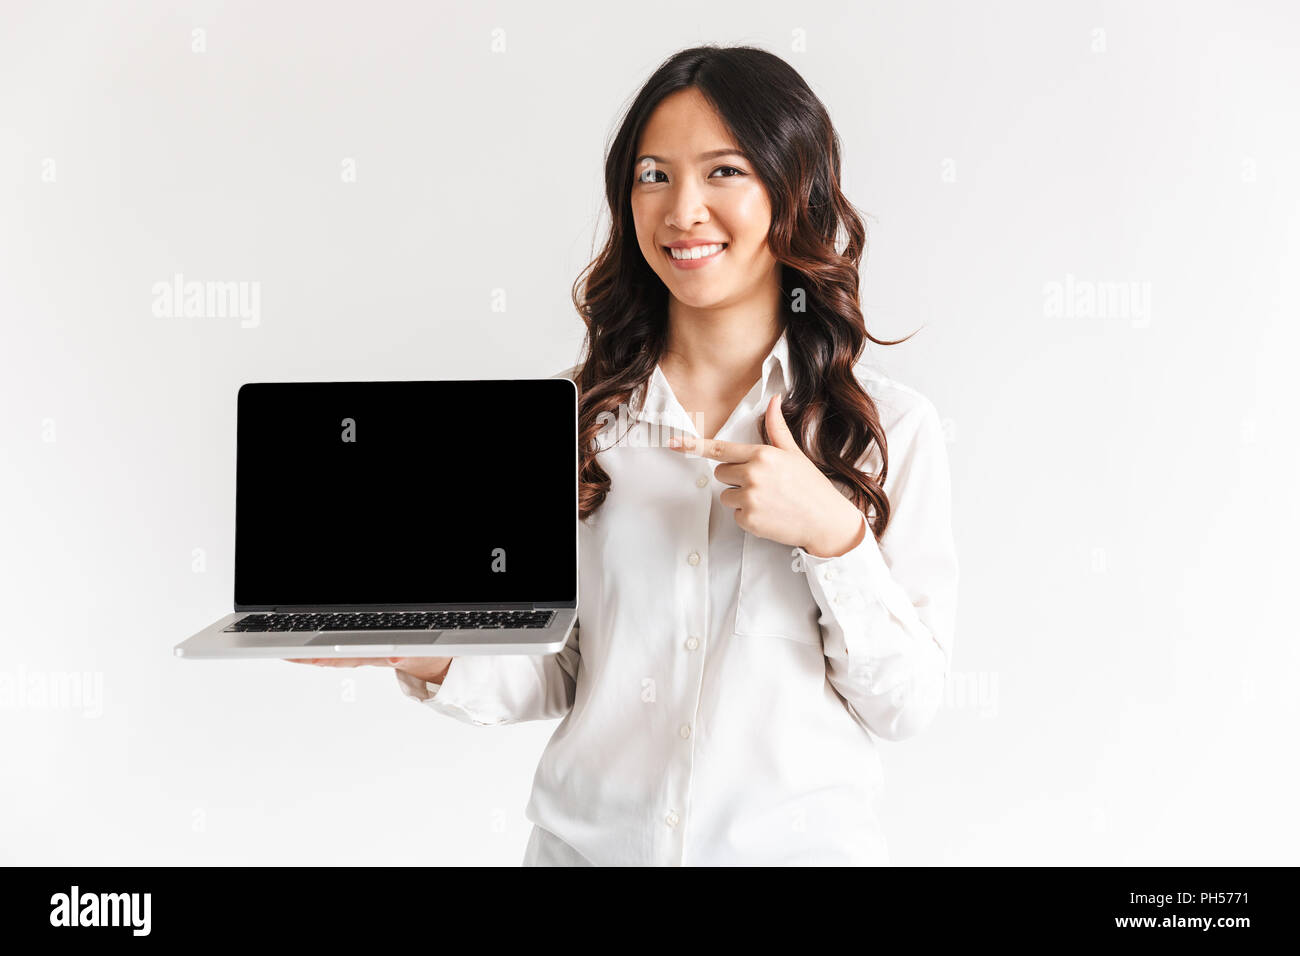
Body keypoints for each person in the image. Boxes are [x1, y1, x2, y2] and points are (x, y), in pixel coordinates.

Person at [292, 44, 958, 866]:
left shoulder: (885, 429)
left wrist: (834, 537)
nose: (682, 210)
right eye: (654, 176)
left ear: (794, 191)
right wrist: (412, 643)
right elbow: (561, 670)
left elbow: (906, 704)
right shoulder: (576, 422)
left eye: (723, 173)